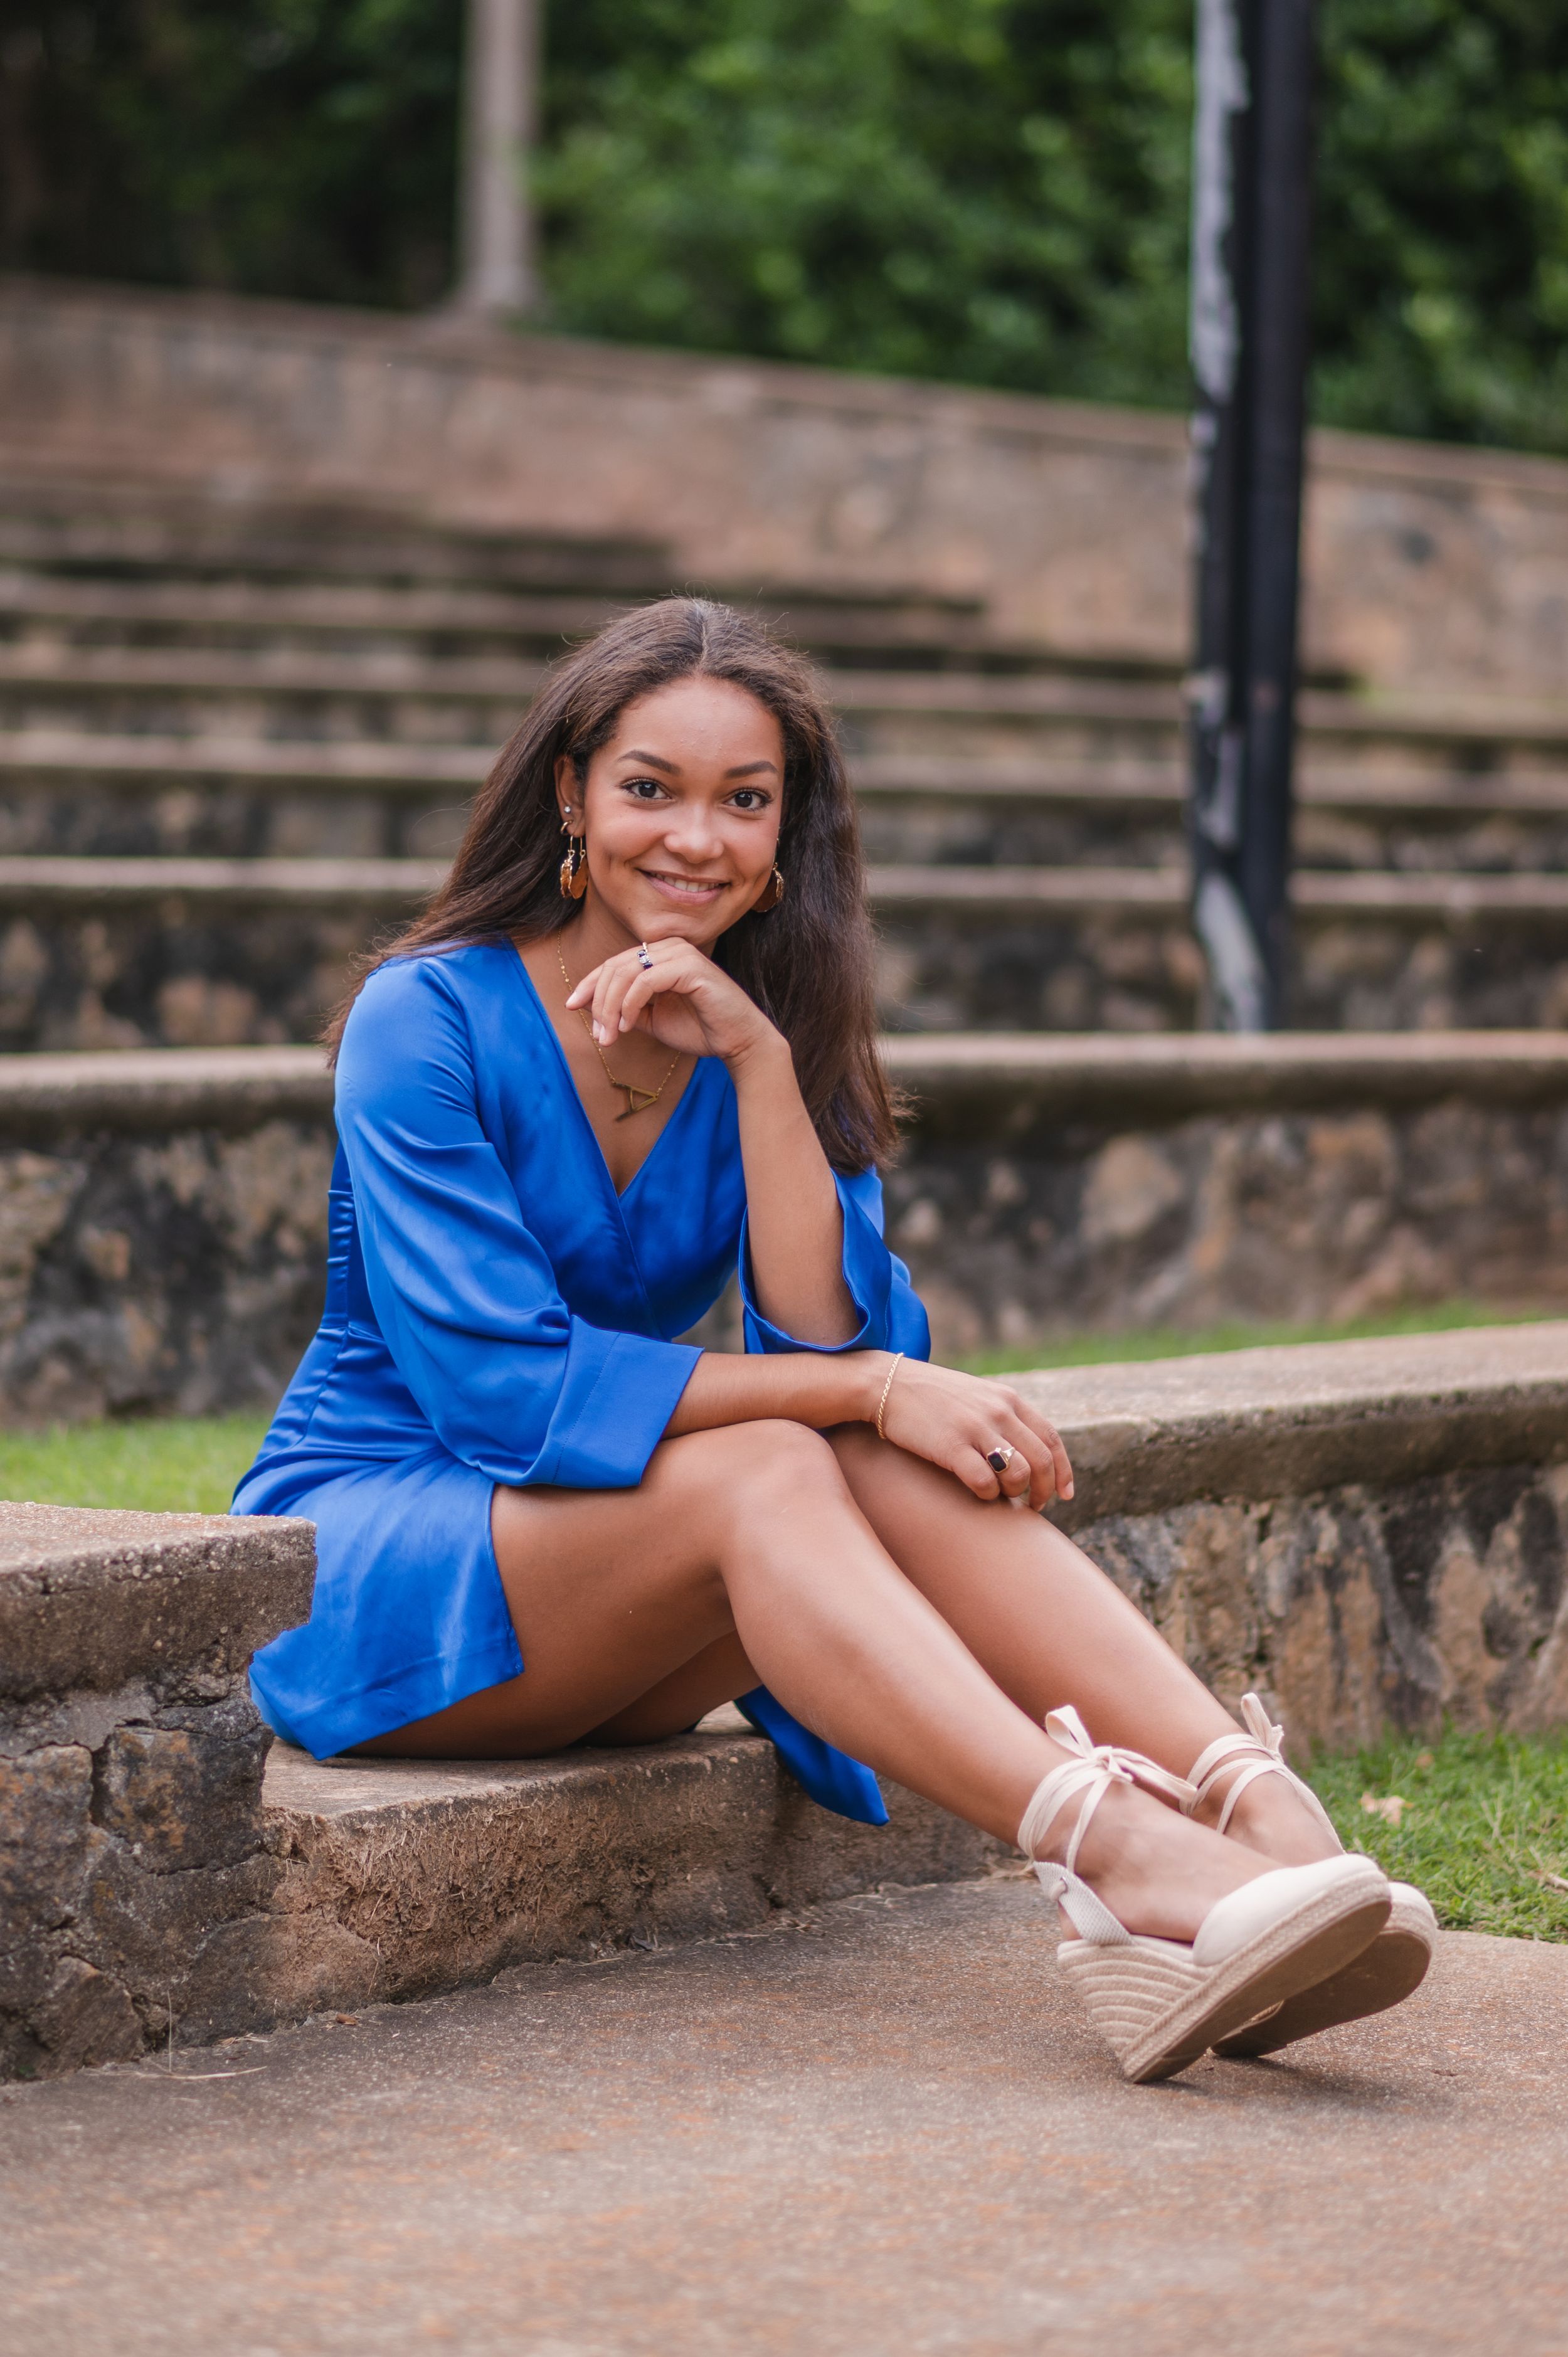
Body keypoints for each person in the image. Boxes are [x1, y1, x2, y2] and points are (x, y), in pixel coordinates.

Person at [235, 600, 1434, 2083]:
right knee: (783, 1459)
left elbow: (828, 1336)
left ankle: (1257, 1814)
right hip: (377, 1560)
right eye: (649, 787)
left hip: (600, 1564)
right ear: (569, 793)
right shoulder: (421, 1017)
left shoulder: (759, 1023)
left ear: (789, 828)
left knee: (836, 1439)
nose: (696, 838)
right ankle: (1116, 1850)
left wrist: (752, 1063)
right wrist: (868, 1381)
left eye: (745, 800)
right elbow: (500, 1386)